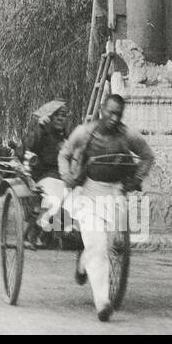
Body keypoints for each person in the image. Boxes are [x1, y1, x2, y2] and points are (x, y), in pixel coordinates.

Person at [59, 94, 155, 322]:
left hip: (114, 193)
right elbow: (64, 154)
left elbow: (147, 156)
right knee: (98, 244)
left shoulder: (127, 135)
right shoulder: (84, 132)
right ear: (101, 110)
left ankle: (84, 262)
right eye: (109, 112)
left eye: (118, 114)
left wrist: (134, 180)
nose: (113, 118)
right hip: (88, 191)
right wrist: (67, 177)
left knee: (109, 244)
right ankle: (102, 302)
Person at [29, 100, 71, 236]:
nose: (60, 118)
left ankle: (62, 232)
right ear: (50, 117)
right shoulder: (42, 133)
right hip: (45, 176)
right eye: (56, 114)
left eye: (63, 115)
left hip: (64, 177)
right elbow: (28, 147)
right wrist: (40, 128)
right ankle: (36, 228)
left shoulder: (67, 137)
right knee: (57, 198)